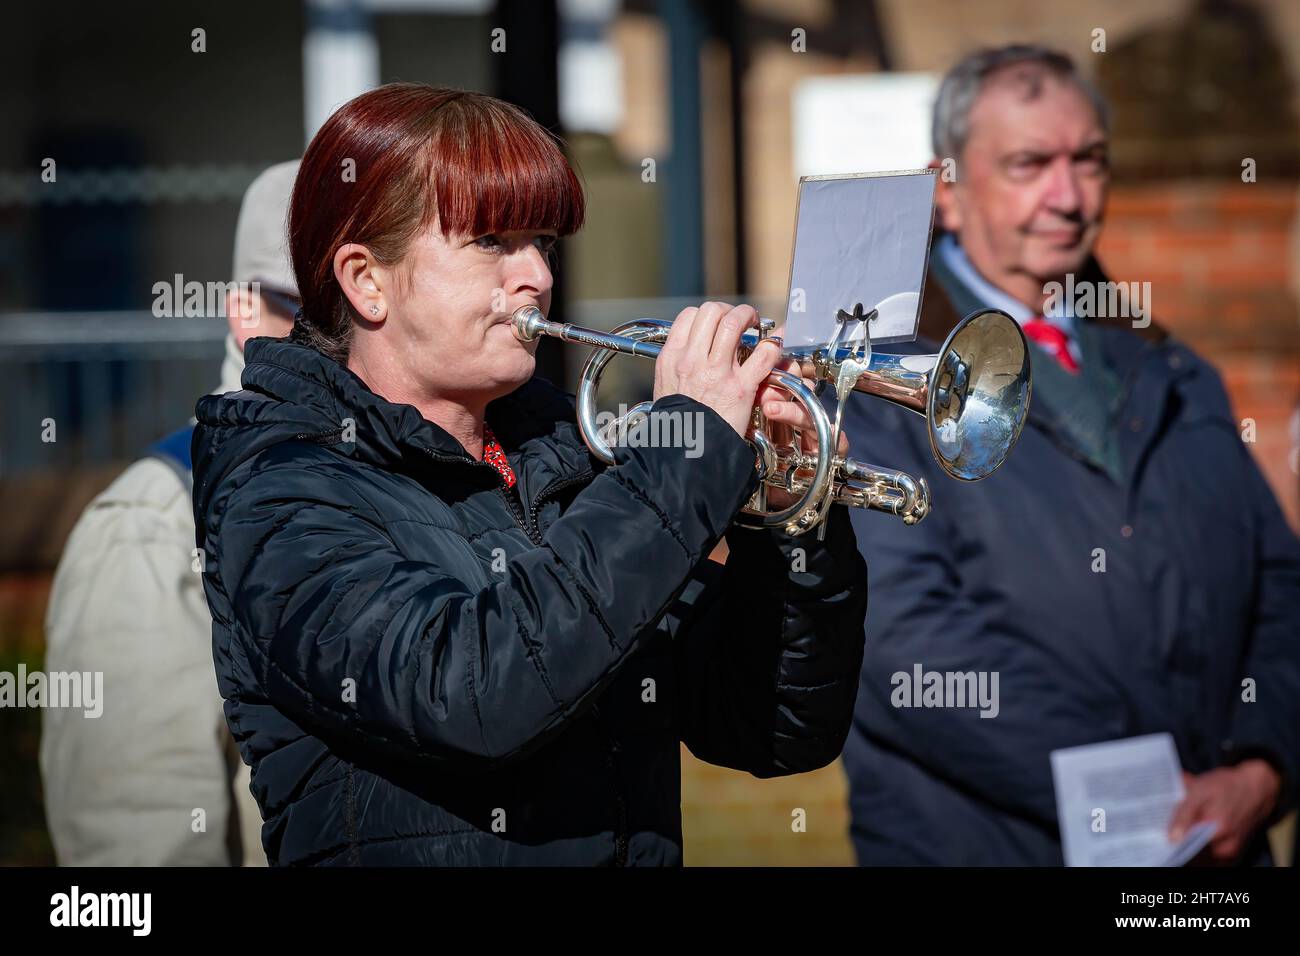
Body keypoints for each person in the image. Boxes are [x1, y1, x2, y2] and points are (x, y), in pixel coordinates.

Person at [191, 84, 868, 866]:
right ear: (365, 279)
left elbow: (770, 728)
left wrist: (790, 521)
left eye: (541, 241)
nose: (537, 276)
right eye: (490, 243)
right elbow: (474, 693)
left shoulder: (558, 454)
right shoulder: (280, 491)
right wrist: (684, 456)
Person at [840, 45, 1300, 865]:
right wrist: (1141, 789)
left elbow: (1281, 588)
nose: (1067, 195)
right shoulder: (874, 381)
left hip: (1212, 852)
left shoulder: (1178, 372)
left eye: (1088, 161)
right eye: (1029, 164)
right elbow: (903, 640)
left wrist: (1260, 766)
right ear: (945, 190)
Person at [41, 161, 301, 866]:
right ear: (244, 310)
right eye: (304, 310)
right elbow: (135, 845)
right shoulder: (151, 523)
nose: (335, 341)